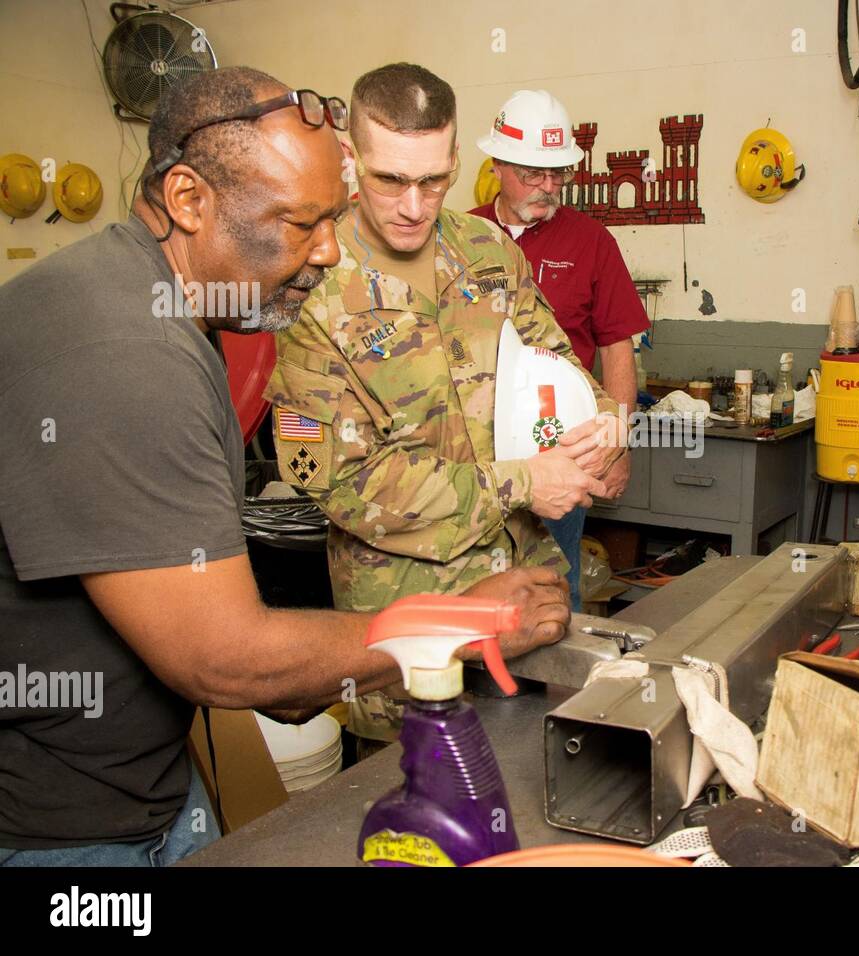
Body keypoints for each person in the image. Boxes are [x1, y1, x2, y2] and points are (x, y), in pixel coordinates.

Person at [0, 66, 569, 867]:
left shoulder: (153, 304)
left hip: (143, 780)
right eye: (301, 224)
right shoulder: (123, 352)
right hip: (63, 828)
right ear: (190, 200)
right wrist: (462, 623)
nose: (329, 250)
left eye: (331, 219)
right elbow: (224, 657)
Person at [265, 63, 627, 748]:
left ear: (459, 160)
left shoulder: (488, 251)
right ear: (350, 158)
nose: (413, 205)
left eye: (433, 180)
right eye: (390, 180)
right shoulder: (306, 287)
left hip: (531, 614)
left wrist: (604, 427)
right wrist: (522, 480)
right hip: (414, 641)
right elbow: (334, 482)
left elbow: (558, 365)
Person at [471, 90, 649, 610]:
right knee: (476, 597)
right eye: (533, 173)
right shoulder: (460, 236)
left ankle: (555, 692)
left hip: (562, 451)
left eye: (559, 173)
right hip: (476, 463)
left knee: (551, 595)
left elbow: (618, 346)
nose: (549, 187)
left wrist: (617, 441)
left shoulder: (591, 242)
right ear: (499, 164)